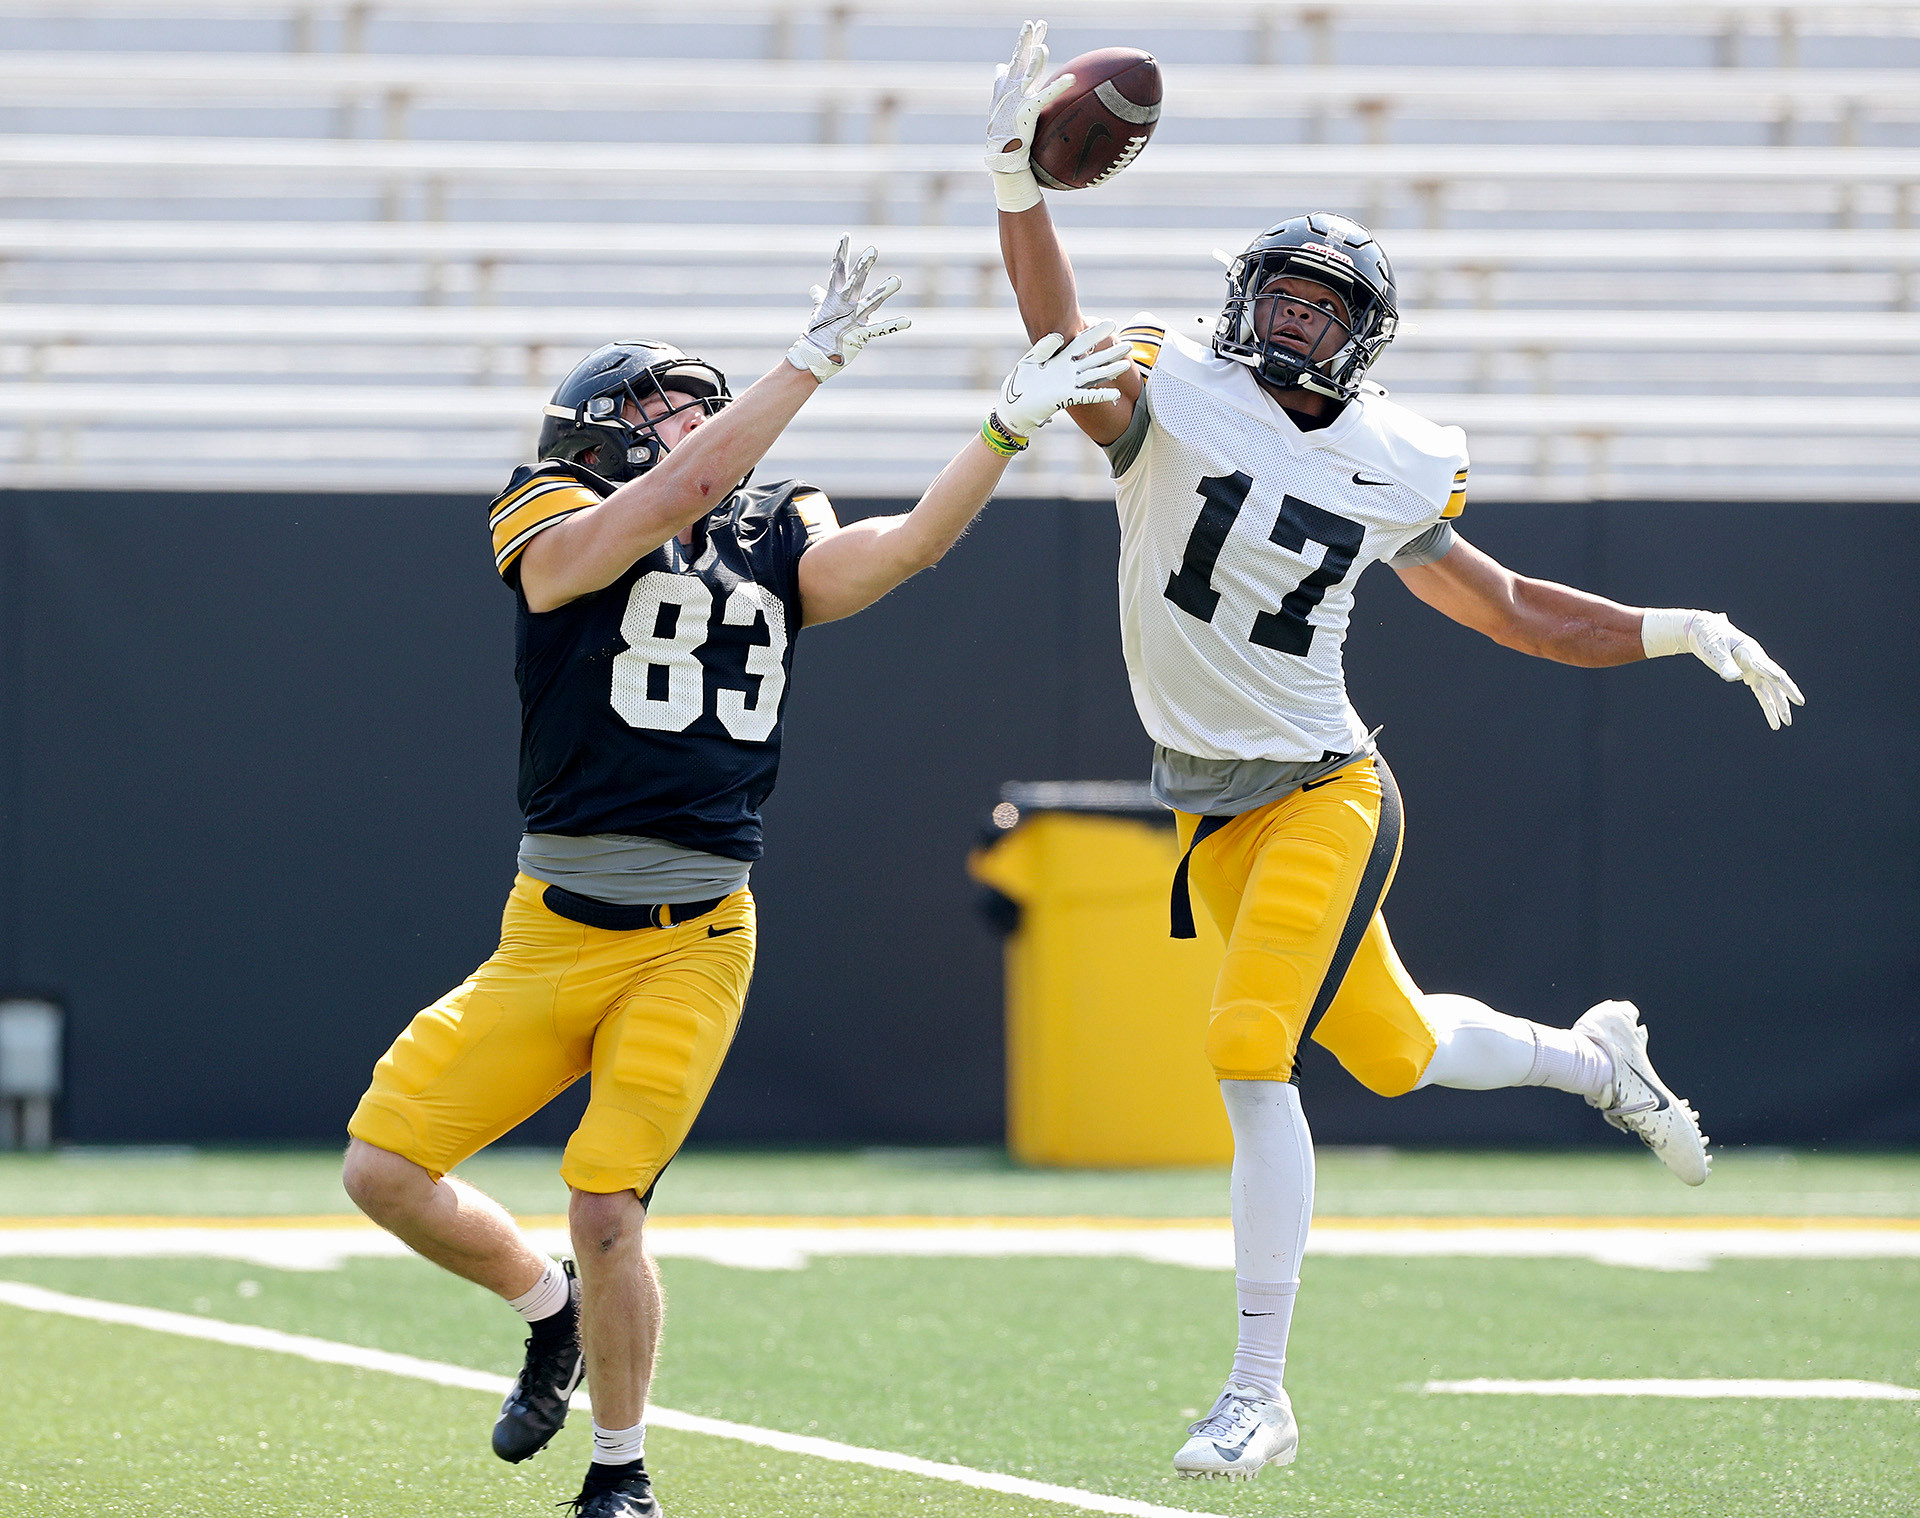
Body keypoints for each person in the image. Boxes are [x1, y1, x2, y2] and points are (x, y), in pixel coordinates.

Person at [984, 21, 1806, 1483]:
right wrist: (1015, 190)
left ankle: (1256, 1391)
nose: (1296, 320)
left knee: (1249, 1053)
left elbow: (1510, 610)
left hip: (1323, 793)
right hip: (1214, 811)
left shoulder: (1399, 455)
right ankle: (1595, 1060)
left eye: (1323, 307)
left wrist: (1677, 624)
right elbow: (1062, 345)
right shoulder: (1168, 389)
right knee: (1397, 1047)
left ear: (1360, 335)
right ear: (1246, 299)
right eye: (1282, 296)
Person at [340, 236, 1130, 1518]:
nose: (692, 420)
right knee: (382, 1170)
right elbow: (659, 506)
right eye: (659, 402)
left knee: (606, 1204)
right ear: (592, 434)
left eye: (698, 400)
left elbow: (899, 551)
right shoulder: (544, 507)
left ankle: (621, 1470)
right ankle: (546, 1317)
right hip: (550, 928)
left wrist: (997, 434)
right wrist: (806, 360)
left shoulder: (773, 522)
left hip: (696, 932)